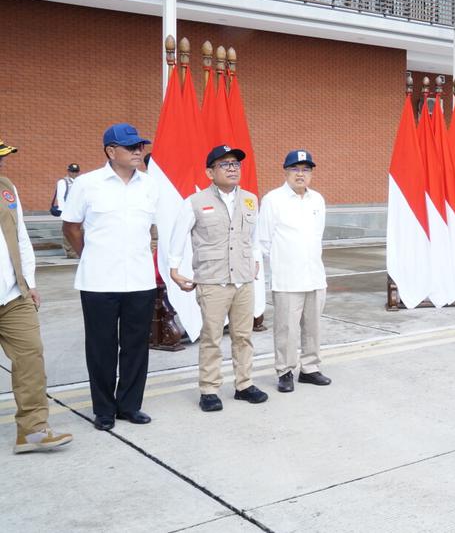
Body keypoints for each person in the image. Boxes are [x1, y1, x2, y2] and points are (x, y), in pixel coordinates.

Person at [61, 123, 158, 430]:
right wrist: (89, 255)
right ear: (110, 151)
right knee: (101, 347)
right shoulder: (87, 184)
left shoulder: (150, 185)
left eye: (140, 146)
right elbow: (71, 227)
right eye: (131, 147)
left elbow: (153, 227)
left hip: (140, 280)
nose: (138, 151)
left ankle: (130, 405)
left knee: (136, 346)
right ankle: (103, 409)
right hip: (99, 281)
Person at [169, 145, 268, 411]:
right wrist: (174, 268)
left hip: (244, 279)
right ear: (209, 172)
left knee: (243, 336)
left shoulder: (250, 199)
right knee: (211, 337)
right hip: (213, 280)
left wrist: (256, 259)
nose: (233, 168)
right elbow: (178, 236)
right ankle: (209, 389)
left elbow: (253, 236)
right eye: (225, 164)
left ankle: (244, 385)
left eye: (236, 164)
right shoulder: (195, 202)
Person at [0, 138, 73, 453]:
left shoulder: (6, 187)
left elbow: (20, 235)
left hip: (13, 296)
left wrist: (28, 283)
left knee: (31, 359)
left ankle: (32, 432)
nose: (3, 163)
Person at [258, 149, 331, 394]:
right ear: (286, 171)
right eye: (295, 169)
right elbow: (264, 241)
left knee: (313, 326)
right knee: (286, 328)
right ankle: (285, 371)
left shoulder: (317, 200)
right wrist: (283, 263)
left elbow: (317, 234)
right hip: (288, 277)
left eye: (306, 169)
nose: (301, 174)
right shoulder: (272, 200)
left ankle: (309, 368)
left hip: (315, 275)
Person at [51, 163, 81, 258]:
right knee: (68, 231)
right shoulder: (63, 182)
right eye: (72, 171)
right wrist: (64, 212)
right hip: (68, 210)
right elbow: (60, 197)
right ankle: (70, 252)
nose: (74, 173)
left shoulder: (79, 182)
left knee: (80, 231)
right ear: (68, 171)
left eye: (76, 171)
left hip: (79, 210)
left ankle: (79, 250)